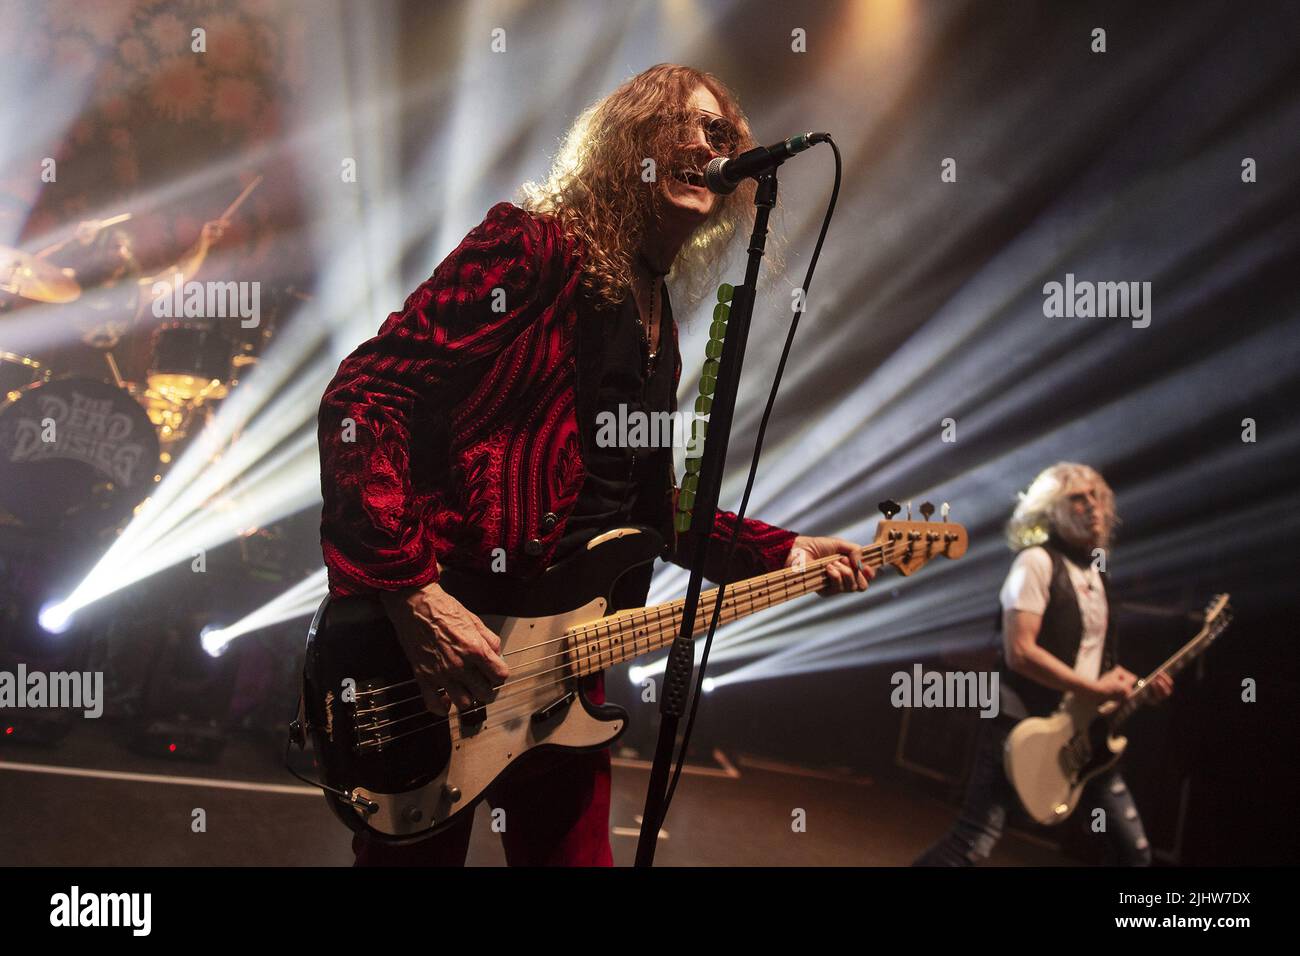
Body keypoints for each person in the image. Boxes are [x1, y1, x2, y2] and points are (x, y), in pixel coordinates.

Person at [317, 64, 873, 866]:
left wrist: (780, 551)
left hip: (566, 666)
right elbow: (364, 399)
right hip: (446, 648)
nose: (707, 143)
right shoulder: (531, 248)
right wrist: (410, 592)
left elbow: (647, 516)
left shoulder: (660, 324)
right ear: (626, 147)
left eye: (722, 132)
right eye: (680, 124)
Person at [914, 462, 1172, 866]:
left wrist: (1134, 688)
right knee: (973, 840)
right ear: (1050, 510)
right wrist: (1093, 689)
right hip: (1020, 719)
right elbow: (1020, 652)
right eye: (1076, 498)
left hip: (1083, 733)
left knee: (1133, 853)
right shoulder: (1035, 562)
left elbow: (1092, 663)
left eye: (1096, 495)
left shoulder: (1096, 575)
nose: (1092, 505)